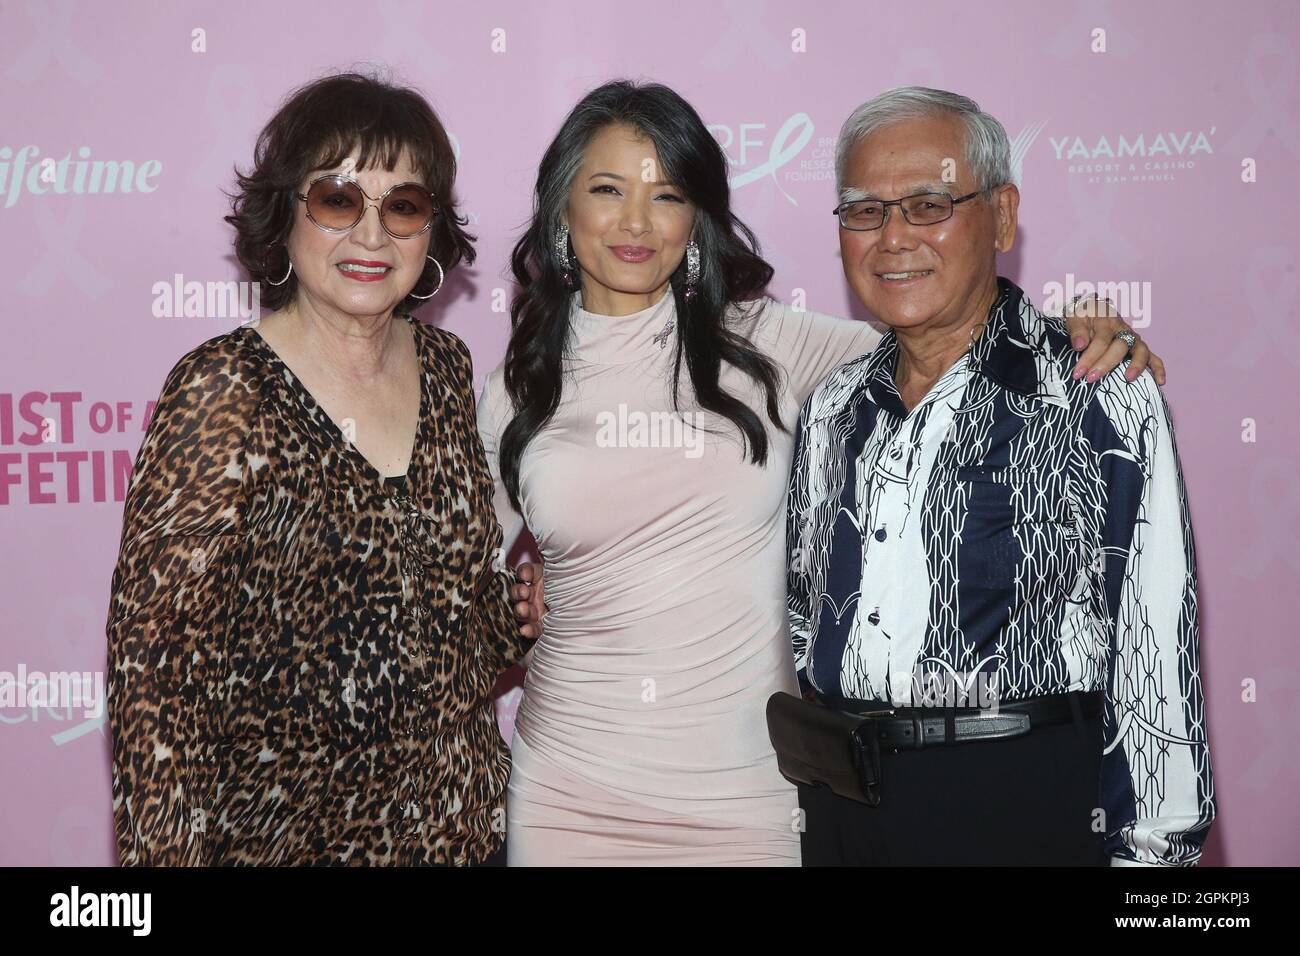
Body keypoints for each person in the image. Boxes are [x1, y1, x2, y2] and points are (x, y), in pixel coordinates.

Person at [481, 80, 1162, 865]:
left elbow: (952, 341)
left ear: (694, 219)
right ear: (562, 208)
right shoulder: (513, 394)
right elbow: (457, 597)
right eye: (607, 189)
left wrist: (1074, 324)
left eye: (666, 195)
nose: (636, 222)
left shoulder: (769, 343)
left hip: (748, 793)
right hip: (570, 786)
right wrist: (517, 612)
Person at [106, 72, 533, 866]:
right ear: (286, 214)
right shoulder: (225, 389)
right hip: (285, 845)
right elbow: (157, 682)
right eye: (339, 199)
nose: (372, 237)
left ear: (431, 231)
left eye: (403, 205)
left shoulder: (446, 366)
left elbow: (446, 636)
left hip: (463, 836)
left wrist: (514, 617)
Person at [780, 86, 1214, 865]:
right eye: (864, 211)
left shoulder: (1096, 388)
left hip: (1024, 803)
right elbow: (809, 616)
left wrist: (1158, 863)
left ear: (1004, 217)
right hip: (843, 805)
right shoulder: (832, 407)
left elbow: (1152, 646)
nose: (893, 238)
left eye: (928, 204)